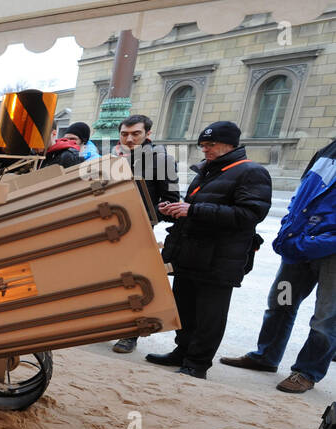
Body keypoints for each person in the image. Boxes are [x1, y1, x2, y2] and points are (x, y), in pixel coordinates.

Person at [146, 121, 271, 379]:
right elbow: (196, 208)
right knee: (185, 307)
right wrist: (176, 210)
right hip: (191, 253)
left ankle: (198, 363)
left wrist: (192, 210)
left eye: (210, 145)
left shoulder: (251, 172)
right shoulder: (209, 170)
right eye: (203, 145)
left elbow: (250, 214)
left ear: (230, 144)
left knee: (209, 314)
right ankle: (182, 352)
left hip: (220, 258)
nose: (205, 150)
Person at [218, 136, 336, 392]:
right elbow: (303, 191)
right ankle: (266, 356)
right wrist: (289, 227)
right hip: (300, 247)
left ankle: (306, 372)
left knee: (326, 318)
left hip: (331, 252)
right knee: (281, 302)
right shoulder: (328, 150)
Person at [111, 115, 181, 353]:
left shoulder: (161, 160)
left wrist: (148, 218)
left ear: (148, 134)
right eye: (124, 134)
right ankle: (108, 326)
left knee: (133, 283)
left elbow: (171, 201)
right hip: (108, 229)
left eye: (135, 134)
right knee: (110, 280)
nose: (129, 139)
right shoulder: (114, 157)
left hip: (139, 231)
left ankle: (130, 335)